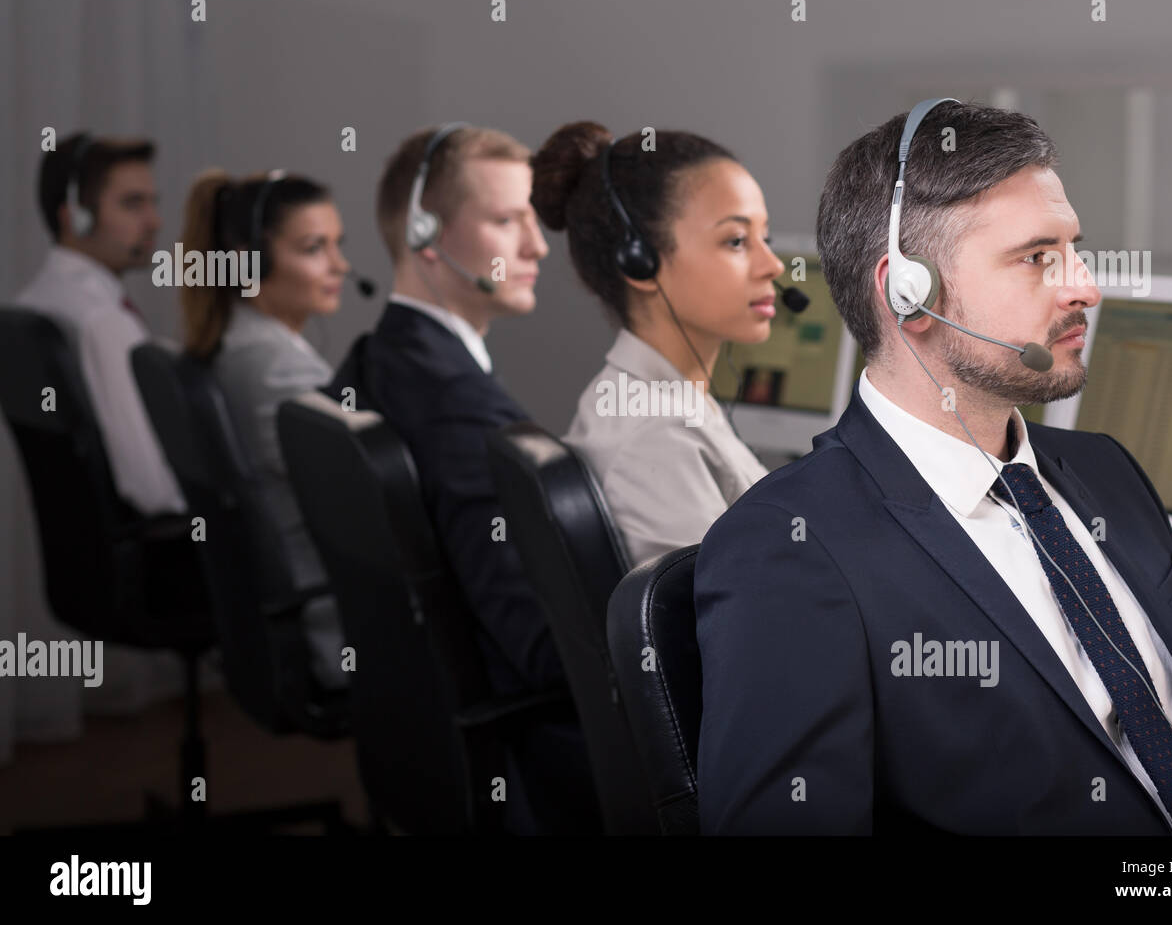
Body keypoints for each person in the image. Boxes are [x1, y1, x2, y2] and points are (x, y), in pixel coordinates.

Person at [695, 100, 1172, 835]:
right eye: (1037, 258)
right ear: (906, 292)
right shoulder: (788, 551)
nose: (1086, 286)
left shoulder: (1104, 472)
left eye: (1074, 249)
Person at [326, 123, 600, 833]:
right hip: (529, 752)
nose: (538, 247)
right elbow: (539, 644)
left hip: (417, 730)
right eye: (508, 221)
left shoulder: (378, 360)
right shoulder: (456, 407)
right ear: (425, 231)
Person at [531, 122, 781, 567]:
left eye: (767, 238)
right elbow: (739, 624)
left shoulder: (661, 404)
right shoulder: (658, 439)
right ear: (640, 262)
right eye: (737, 240)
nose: (774, 265)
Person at [178, 168, 350, 690]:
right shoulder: (279, 372)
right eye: (314, 247)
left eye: (338, 245)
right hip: (337, 619)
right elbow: (368, 504)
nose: (340, 265)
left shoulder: (235, 348)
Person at [13, 132, 184, 515]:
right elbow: (152, 491)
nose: (154, 221)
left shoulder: (31, 305)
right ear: (75, 217)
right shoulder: (103, 322)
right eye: (132, 204)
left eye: (153, 203)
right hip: (162, 560)